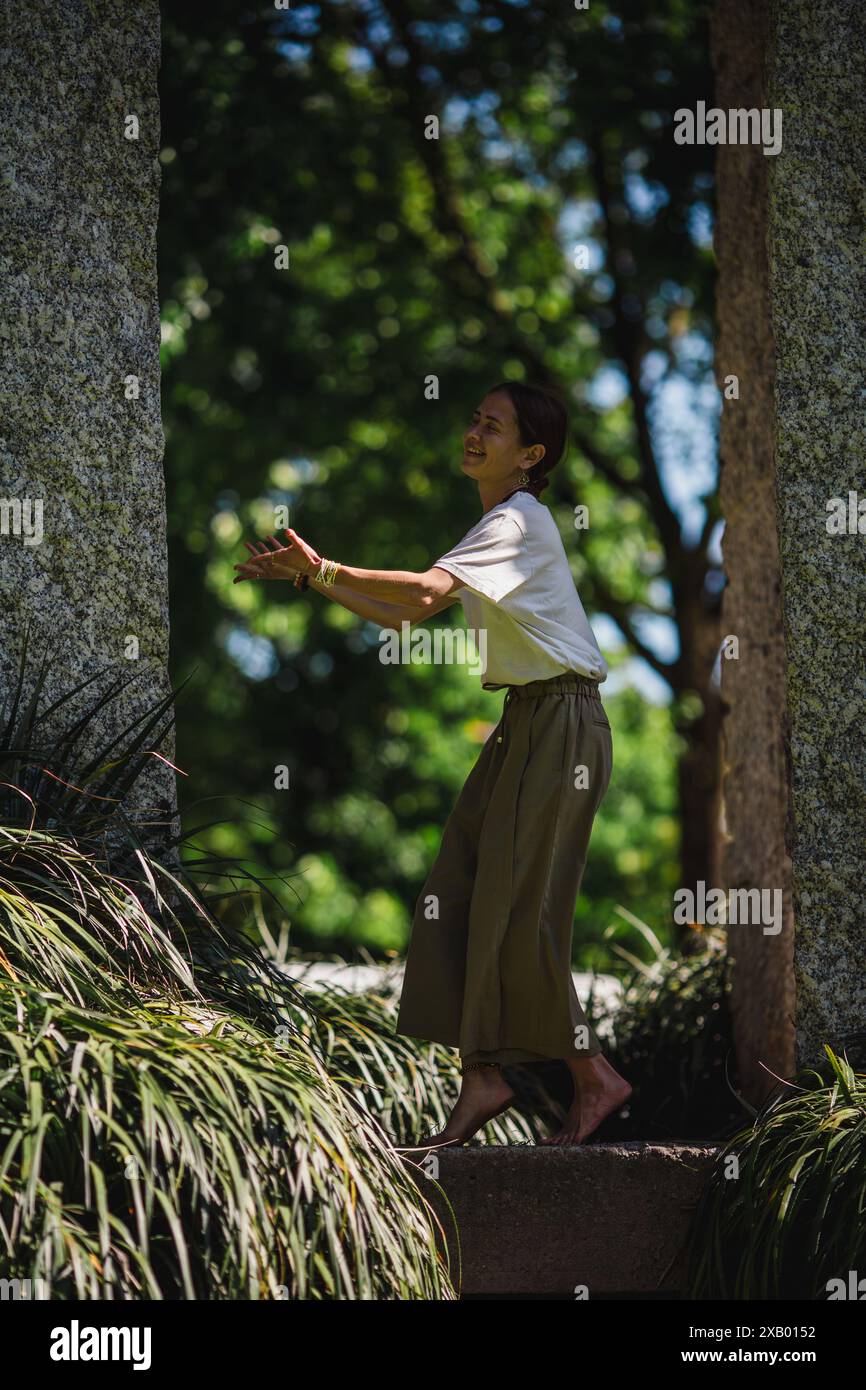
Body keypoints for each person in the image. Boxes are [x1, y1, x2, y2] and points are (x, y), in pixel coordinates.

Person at [234, 381, 632, 1146]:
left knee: (521, 912)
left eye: (494, 425)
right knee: (455, 889)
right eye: (474, 419)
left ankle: (594, 1078)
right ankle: (483, 1078)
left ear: (531, 454)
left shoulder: (518, 521)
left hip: (562, 720)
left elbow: (419, 594)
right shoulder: (495, 525)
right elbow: (404, 613)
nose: (474, 432)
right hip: (527, 720)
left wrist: (327, 565)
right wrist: (316, 579)